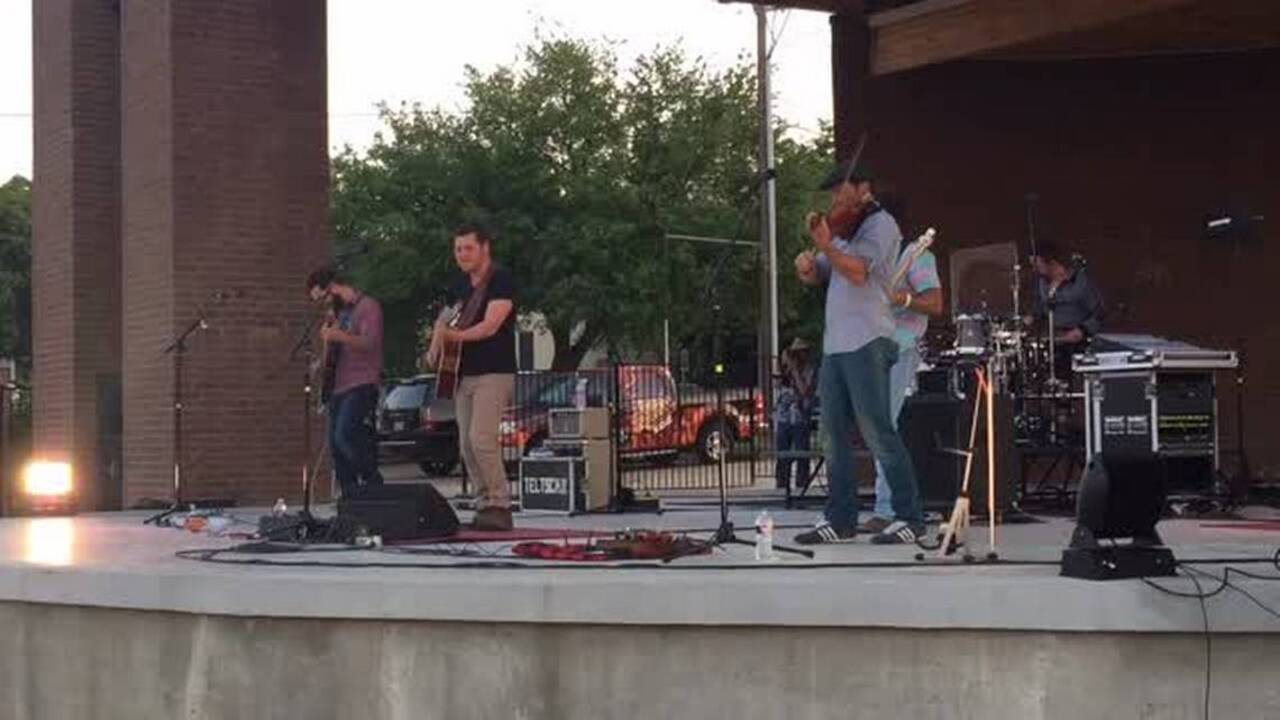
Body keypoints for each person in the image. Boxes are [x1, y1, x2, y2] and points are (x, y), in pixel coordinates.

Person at [792, 160, 926, 545]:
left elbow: (858, 272)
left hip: (868, 339)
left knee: (877, 430)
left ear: (862, 188)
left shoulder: (881, 226)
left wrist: (824, 244)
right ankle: (841, 518)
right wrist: (806, 266)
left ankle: (909, 515)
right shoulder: (844, 230)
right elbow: (820, 272)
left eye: (840, 190)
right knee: (831, 434)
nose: (835, 199)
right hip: (836, 343)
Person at [429, 223, 517, 531]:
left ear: (485, 248)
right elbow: (444, 319)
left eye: (468, 248)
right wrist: (435, 344)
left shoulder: (501, 280)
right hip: (461, 374)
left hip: (494, 371)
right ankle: (484, 505)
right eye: (457, 249)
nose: (462, 254)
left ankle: (500, 503)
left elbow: (491, 325)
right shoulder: (460, 285)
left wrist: (455, 336)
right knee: (466, 444)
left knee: (482, 439)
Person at [863, 235, 944, 533]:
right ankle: (888, 505)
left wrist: (901, 299)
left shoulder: (917, 255)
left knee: (885, 426)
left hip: (899, 348)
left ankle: (889, 508)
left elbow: (935, 303)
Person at [307, 266, 385, 497]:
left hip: (362, 382)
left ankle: (373, 483)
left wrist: (338, 335)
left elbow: (369, 343)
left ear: (333, 288)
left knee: (345, 436)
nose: (323, 305)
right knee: (335, 445)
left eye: (323, 298)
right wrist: (320, 362)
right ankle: (350, 495)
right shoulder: (340, 314)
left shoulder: (368, 307)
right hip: (339, 387)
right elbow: (335, 353)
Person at [1028, 242, 1105, 378]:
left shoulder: (1080, 281)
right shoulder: (1041, 283)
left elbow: (1099, 312)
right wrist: (1030, 318)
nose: (1034, 269)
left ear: (1051, 262)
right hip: (1053, 341)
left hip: (1079, 344)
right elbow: (1039, 310)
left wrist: (1082, 330)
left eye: (1037, 264)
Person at [774, 338, 818, 491]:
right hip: (784, 416)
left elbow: (805, 391)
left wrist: (795, 371)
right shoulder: (785, 370)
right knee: (782, 452)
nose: (798, 357)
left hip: (800, 415)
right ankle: (781, 484)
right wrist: (784, 367)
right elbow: (777, 386)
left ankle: (802, 484)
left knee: (801, 452)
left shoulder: (809, 369)